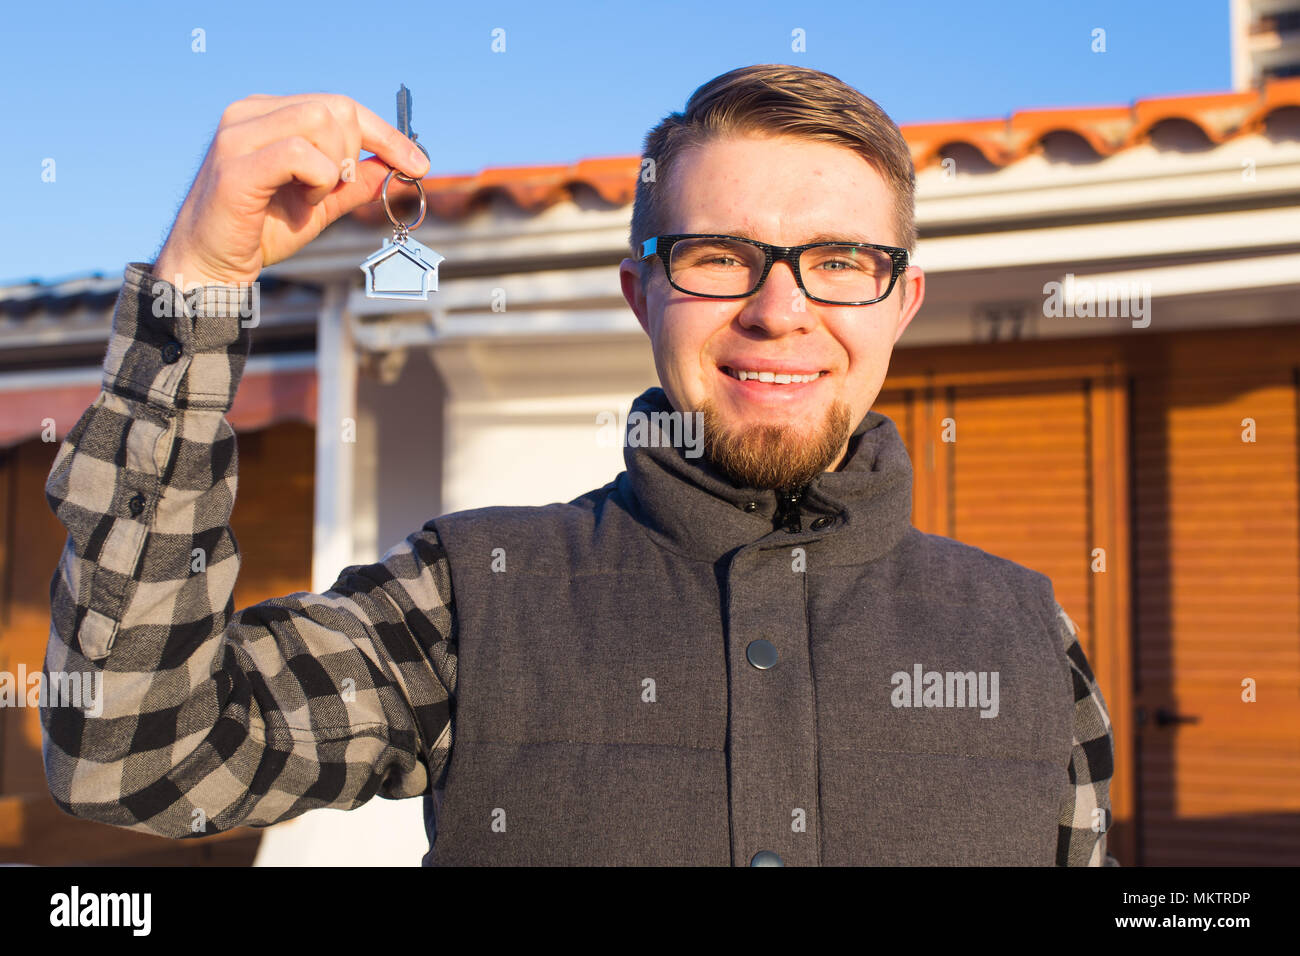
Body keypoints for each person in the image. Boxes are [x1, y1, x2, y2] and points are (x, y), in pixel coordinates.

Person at [41, 64, 1115, 866]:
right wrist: (201, 277)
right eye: (717, 257)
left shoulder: (1025, 636)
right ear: (640, 292)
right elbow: (134, 754)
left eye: (840, 261)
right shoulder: (471, 599)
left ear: (900, 302)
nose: (780, 310)